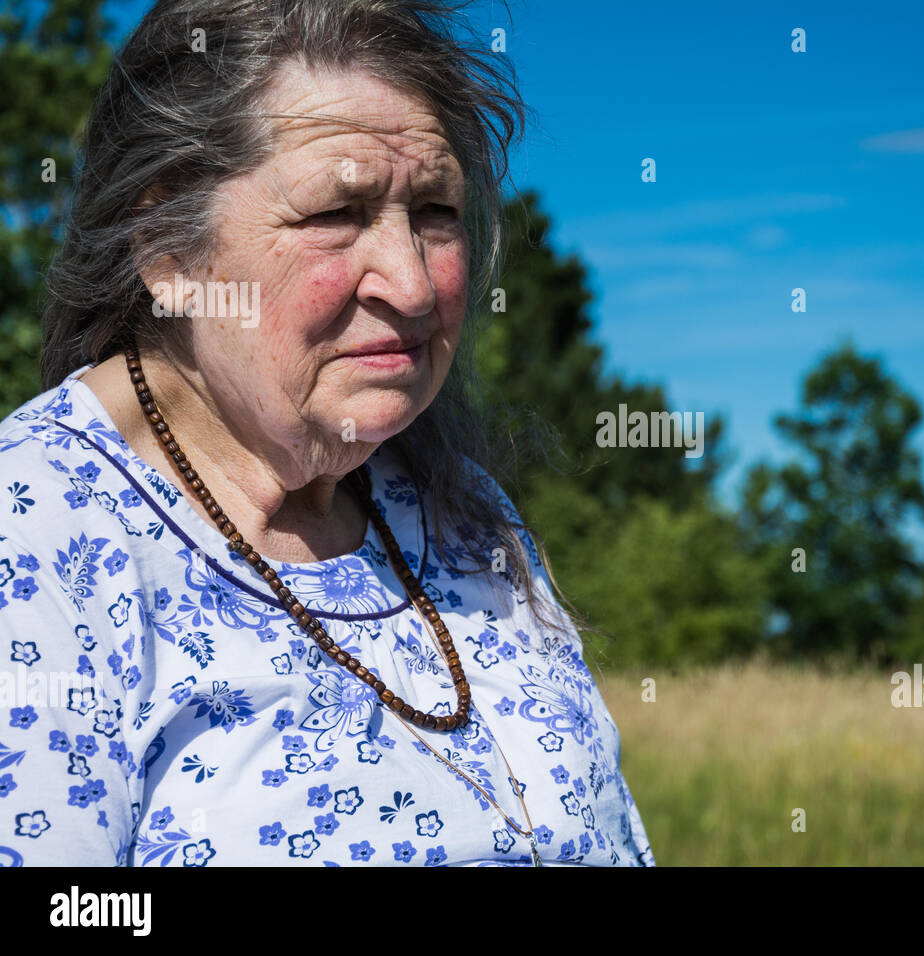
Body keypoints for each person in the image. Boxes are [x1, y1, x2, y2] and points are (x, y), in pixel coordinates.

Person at [0, 0, 654, 867]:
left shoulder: (461, 517)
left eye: (434, 211)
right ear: (164, 246)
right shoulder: (37, 537)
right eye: (335, 214)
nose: (414, 286)